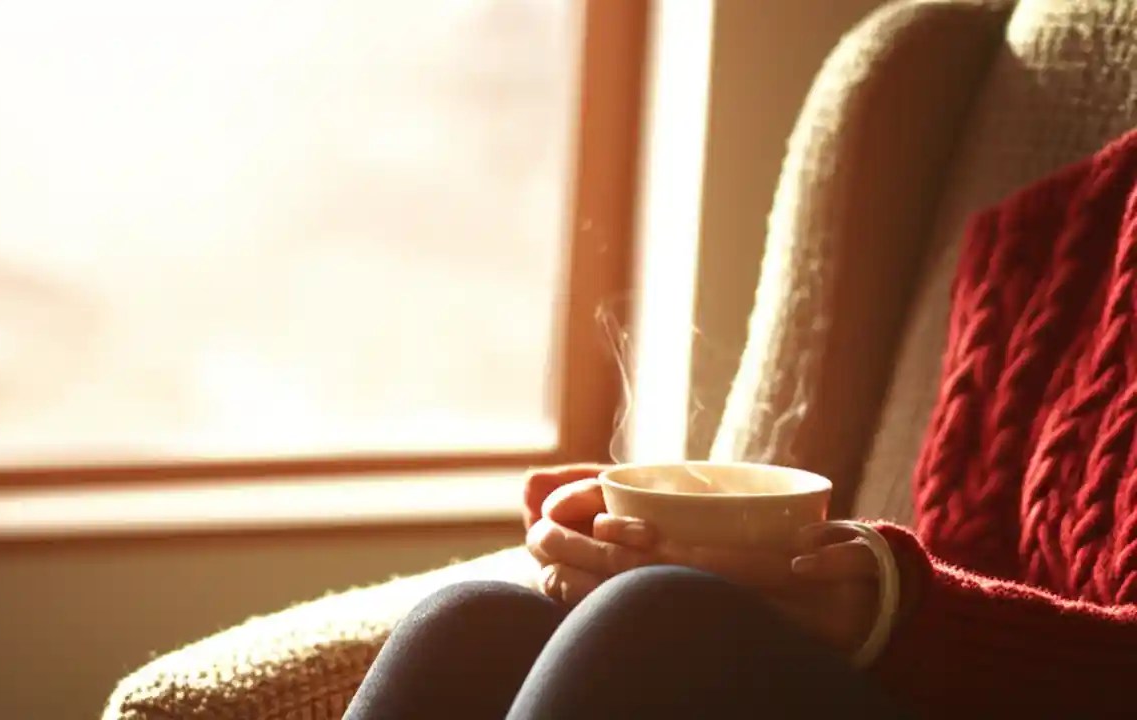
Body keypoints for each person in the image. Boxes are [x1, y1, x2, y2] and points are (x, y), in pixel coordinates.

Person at [346, 131, 1137, 719]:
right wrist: (603, 550)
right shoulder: (1042, 246)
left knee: (657, 622)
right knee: (470, 624)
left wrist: (901, 618)